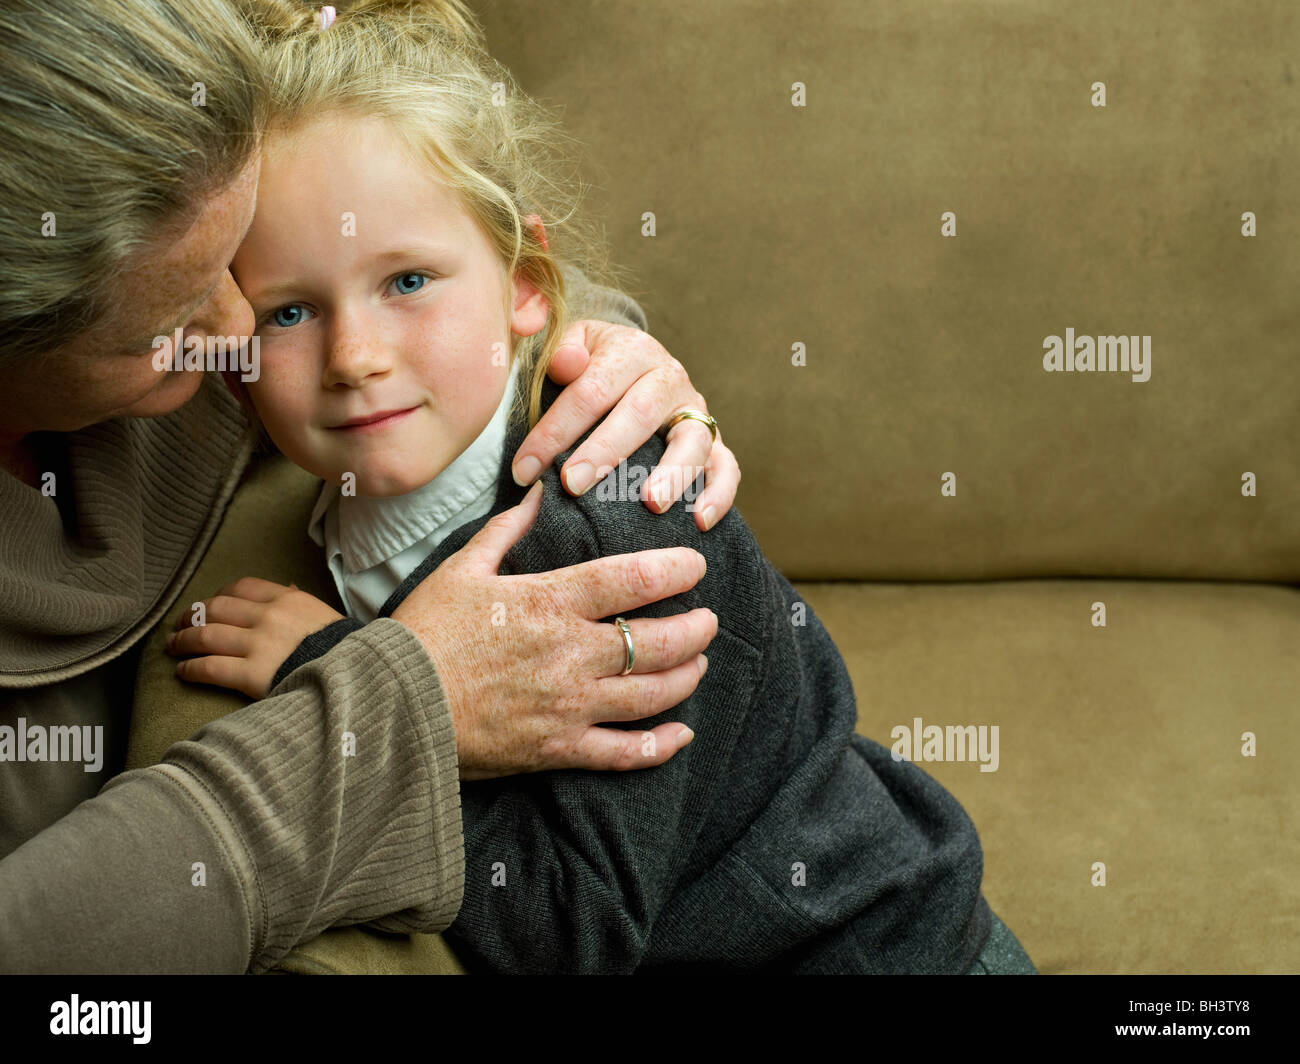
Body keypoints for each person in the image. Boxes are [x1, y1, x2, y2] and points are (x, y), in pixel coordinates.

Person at [169, 0, 1037, 973]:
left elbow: (569, 934)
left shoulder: (613, 533)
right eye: (290, 309)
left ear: (527, 284)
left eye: (407, 280)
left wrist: (342, 676)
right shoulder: (349, 473)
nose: (354, 358)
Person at [0, 0, 744, 974]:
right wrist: (388, 696)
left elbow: (419, 232)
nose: (239, 329)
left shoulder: (606, 511)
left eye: (232, 256)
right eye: (179, 317)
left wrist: (586, 355)